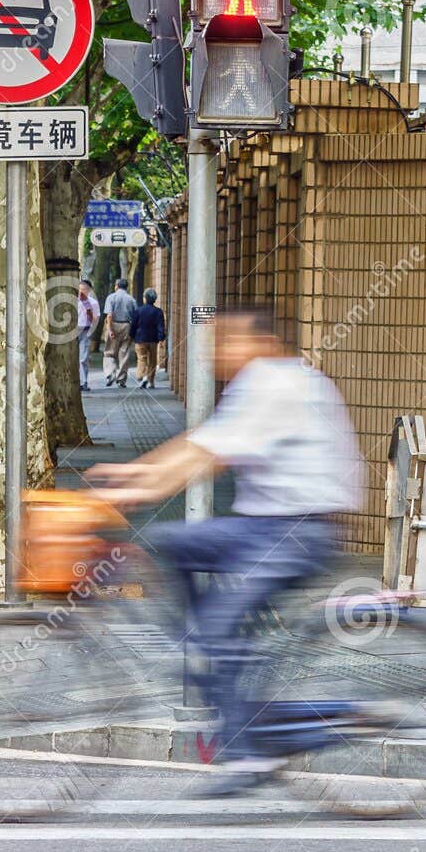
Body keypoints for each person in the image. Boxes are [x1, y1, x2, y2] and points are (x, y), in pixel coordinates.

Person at [90, 309, 366, 795]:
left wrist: (134, 489)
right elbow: (197, 443)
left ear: (260, 343)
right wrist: (131, 476)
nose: (216, 354)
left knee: (218, 629)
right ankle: (212, 645)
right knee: (172, 543)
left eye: (227, 342)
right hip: (260, 527)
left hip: (297, 534)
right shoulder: (257, 380)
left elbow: (207, 461)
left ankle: (246, 755)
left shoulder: (278, 385)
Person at [102, 278, 137, 388]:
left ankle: (110, 373)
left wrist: (110, 329)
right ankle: (121, 380)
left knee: (109, 352)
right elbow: (135, 316)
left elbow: (109, 315)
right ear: (126, 287)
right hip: (127, 325)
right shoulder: (131, 299)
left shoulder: (111, 297)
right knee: (124, 353)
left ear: (116, 286)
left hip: (114, 324)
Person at [131, 288, 166, 389]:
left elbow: (133, 325)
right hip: (153, 340)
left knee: (142, 359)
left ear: (145, 299)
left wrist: (132, 336)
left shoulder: (138, 310)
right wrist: (160, 338)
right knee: (152, 361)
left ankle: (142, 376)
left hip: (140, 339)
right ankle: (150, 381)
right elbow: (161, 326)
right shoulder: (158, 312)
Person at [76, 279, 100, 393]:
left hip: (85, 331)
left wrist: (89, 313)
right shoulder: (73, 301)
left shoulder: (93, 303)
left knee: (83, 358)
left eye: (84, 289)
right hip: (72, 332)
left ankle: (83, 382)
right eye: (80, 289)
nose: (82, 291)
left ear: (89, 290)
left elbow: (96, 319)